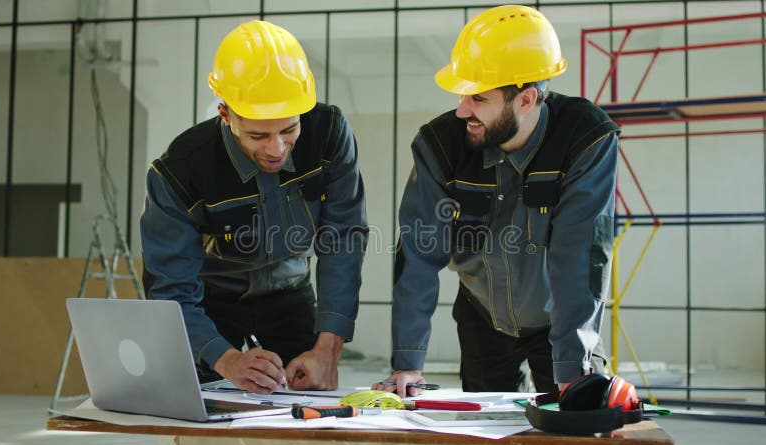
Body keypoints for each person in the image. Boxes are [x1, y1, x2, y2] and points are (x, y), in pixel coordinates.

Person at [374, 5, 618, 398]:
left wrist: (574, 366)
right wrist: (407, 362)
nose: (462, 109)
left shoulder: (584, 139)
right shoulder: (440, 145)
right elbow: (418, 253)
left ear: (526, 99)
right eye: (462, 94)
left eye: (478, 98)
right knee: (487, 427)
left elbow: (580, 254)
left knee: (578, 416)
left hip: (563, 321)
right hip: (482, 319)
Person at [140, 20, 368, 394]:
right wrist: (226, 359)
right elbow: (171, 291)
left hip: (291, 295)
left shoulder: (329, 133)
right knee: (200, 408)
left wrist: (328, 349)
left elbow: (344, 240)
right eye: (258, 135)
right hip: (209, 305)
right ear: (225, 114)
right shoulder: (178, 172)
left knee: (308, 409)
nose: (276, 149)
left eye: (289, 130)